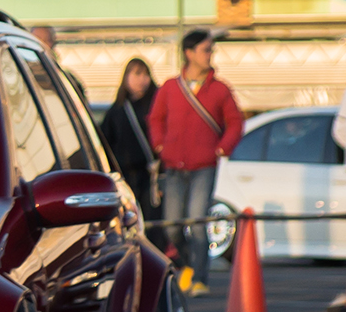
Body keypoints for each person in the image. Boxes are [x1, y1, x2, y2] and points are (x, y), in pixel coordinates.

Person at [148, 28, 244, 295]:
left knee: (198, 222)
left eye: (211, 49)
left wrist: (223, 147)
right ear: (189, 53)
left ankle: (200, 278)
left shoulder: (220, 89)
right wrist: (159, 144)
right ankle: (188, 264)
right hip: (174, 166)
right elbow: (156, 118)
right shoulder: (170, 87)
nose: (210, 54)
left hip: (204, 165)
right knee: (172, 225)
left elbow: (235, 121)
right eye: (205, 49)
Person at [101, 57, 166, 252]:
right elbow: (105, 142)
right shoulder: (118, 109)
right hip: (127, 178)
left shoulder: (157, 104)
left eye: (146, 74)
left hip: (152, 176)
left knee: (155, 226)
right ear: (126, 78)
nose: (142, 80)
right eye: (137, 74)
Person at [30, 26, 90, 103]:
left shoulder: (67, 80)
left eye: (46, 41)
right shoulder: (20, 75)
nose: (41, 45)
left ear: (53, 43)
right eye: (37, 40)